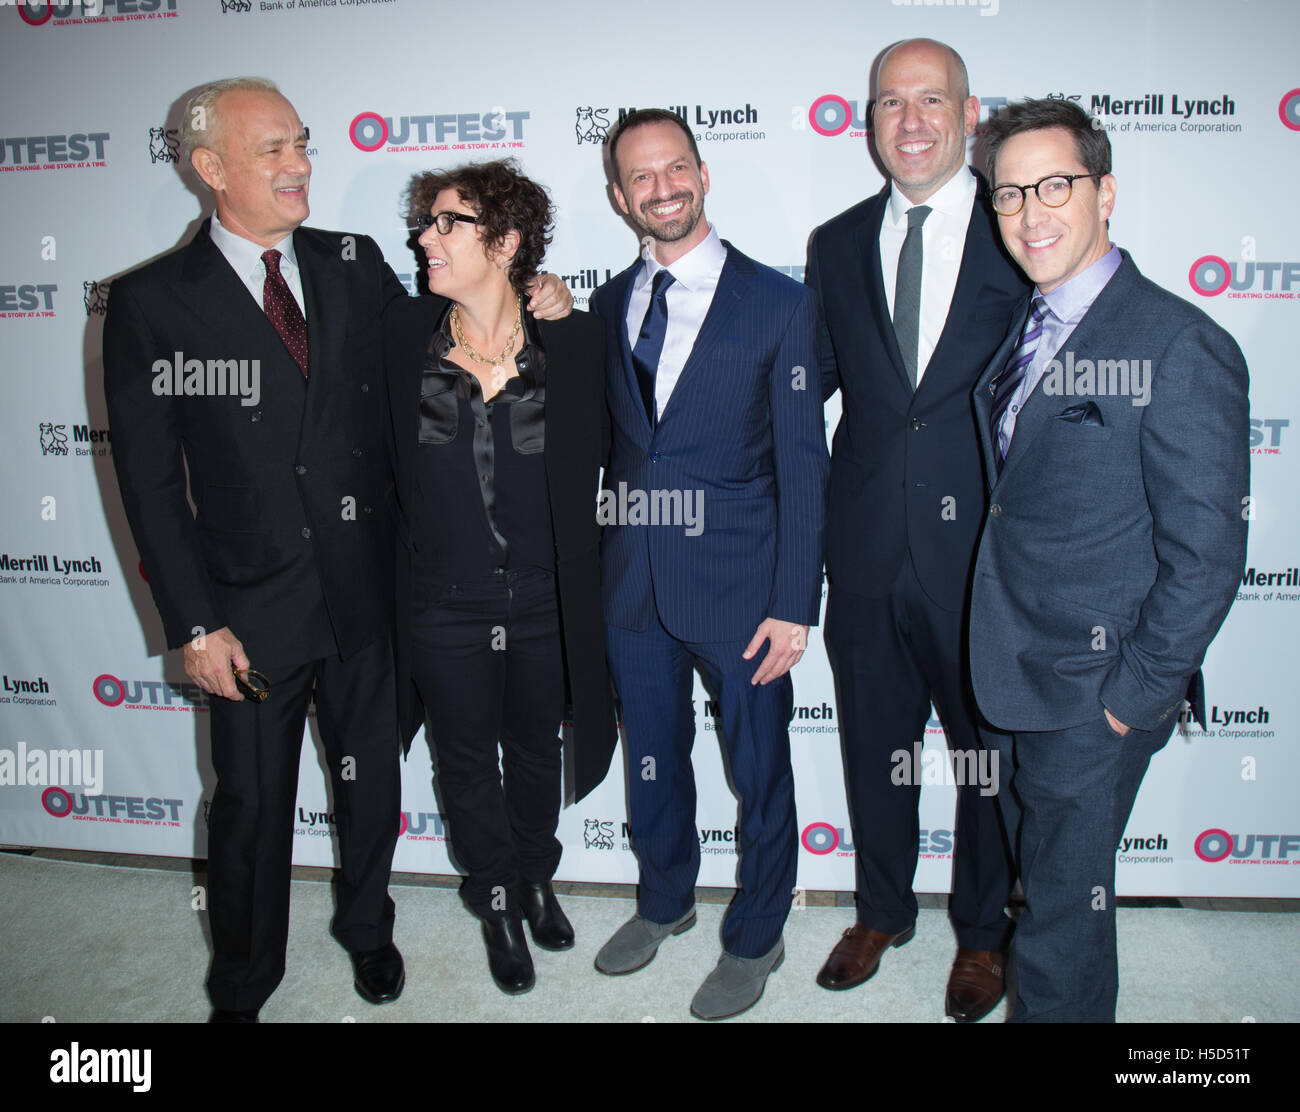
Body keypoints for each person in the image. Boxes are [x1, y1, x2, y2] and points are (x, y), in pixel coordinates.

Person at [102, 78, 570, 1021]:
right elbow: (150, 487)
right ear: (210, 169)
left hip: (369, 592)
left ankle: (368, 930)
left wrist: (533, 294)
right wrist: (195, 623)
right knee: (251, 807)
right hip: (248, 610)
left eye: (302, 143)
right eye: (272, 149)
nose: (299, 164)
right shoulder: (151, 302)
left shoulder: (352, 261)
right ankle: (243, 981)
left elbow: (449, 332)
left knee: (368, 785)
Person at [970, 97, 1249, 1021]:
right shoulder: (1035, 321)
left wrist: (1134, 696)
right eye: (1009, 194)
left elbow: (1208, 552)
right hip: (1013, 666)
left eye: (1055, 184)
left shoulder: (1178, 342)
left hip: (1095, 690)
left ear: (1107, 191)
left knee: (1059, 919)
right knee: (1047, 886)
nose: (1029, 212)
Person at [589, 109, 828, 1021]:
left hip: (744, 589)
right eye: (642, 177)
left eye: (676, 167)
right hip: (633, 585)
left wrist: (794, 601)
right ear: (619, 196)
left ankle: (758, 929)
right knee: (652, 758)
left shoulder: (779, 303)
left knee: (759, 769)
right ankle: (664, 899)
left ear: (703, 173)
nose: (663, 189)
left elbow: (806, 462)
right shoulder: (610, 304)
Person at [806, 39, 1024, 1020]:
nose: (910, 120)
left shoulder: (1019, 228)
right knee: (872, 746)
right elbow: (805, 387)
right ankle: (882, 907)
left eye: (930, 99)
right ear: (869, 119)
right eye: (890, 102)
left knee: (983, 759)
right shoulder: (836, 240)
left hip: (980, 558)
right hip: (861, 550)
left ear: (968, 114)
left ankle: (982, 929)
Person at [384, 159, 616, 996]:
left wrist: (549, 297)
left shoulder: (576, 341)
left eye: (448, 223)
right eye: (428, 223)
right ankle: (494, 900)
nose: (424, 238)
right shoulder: (400, 335)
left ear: (506, 241)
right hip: (442, 599)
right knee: (465, 757)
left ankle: (535, 876)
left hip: (546, 596)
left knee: (532, 748)